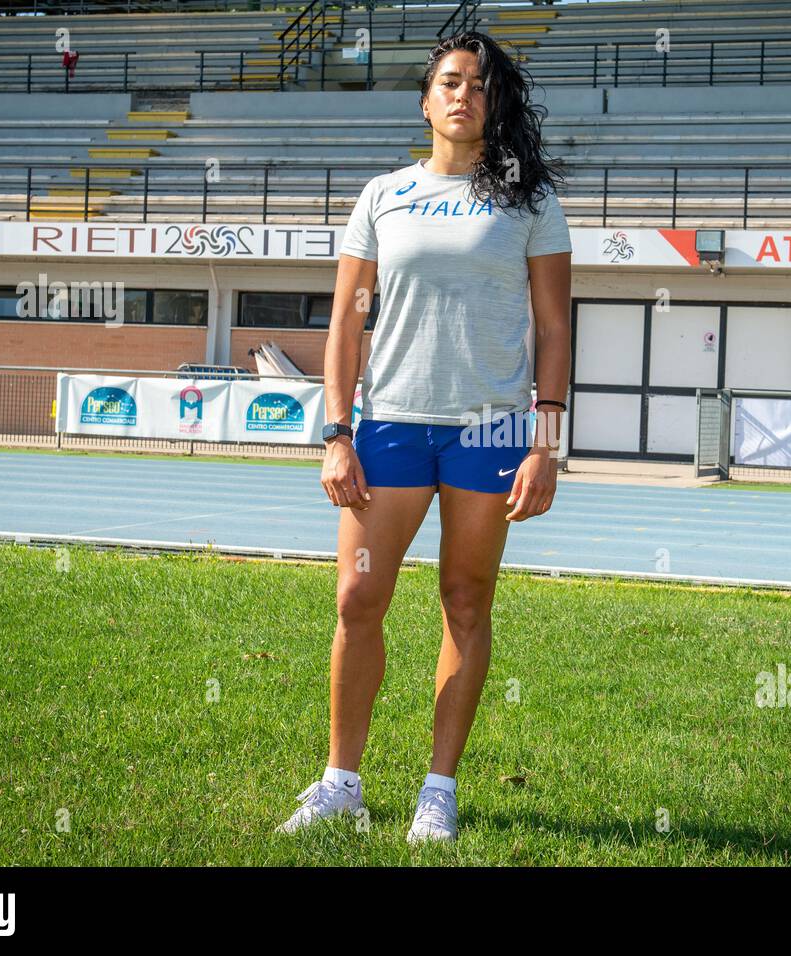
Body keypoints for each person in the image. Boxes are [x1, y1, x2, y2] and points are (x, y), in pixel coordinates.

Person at [276, 31, 572, 844]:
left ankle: (437, 791)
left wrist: (546, 443)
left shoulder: (531, 201)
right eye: (448, 82)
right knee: (357, 597)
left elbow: (553, 330)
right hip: (393, 426)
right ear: (425, 99)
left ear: (493, 102)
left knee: (465, 602)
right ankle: (342, 781)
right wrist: (337, 432)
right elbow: (345, 323)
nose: (462, 95)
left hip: (492, 431)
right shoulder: (382, 195)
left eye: (477, 85)